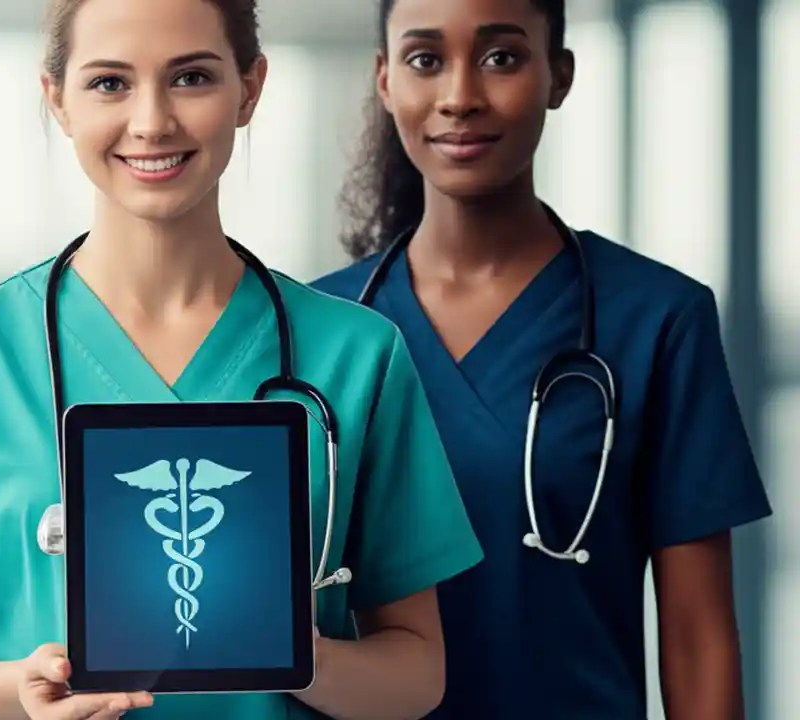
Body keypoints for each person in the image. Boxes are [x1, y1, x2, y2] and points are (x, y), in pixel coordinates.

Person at [0, 0, 484, 718]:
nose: (151, 122)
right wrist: (18, 688)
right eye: (109, 83)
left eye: (191, 78)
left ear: (250, 89)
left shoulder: (357, 355)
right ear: (58, 99)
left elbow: (416, 673)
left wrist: (298, 653)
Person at [311, 0, 773, 717]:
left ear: (559, 75)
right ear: (385, 80)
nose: (460, 96)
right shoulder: (317, 329)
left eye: (501, 58)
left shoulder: (657, 319)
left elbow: (697, 638)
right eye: (425, 60)